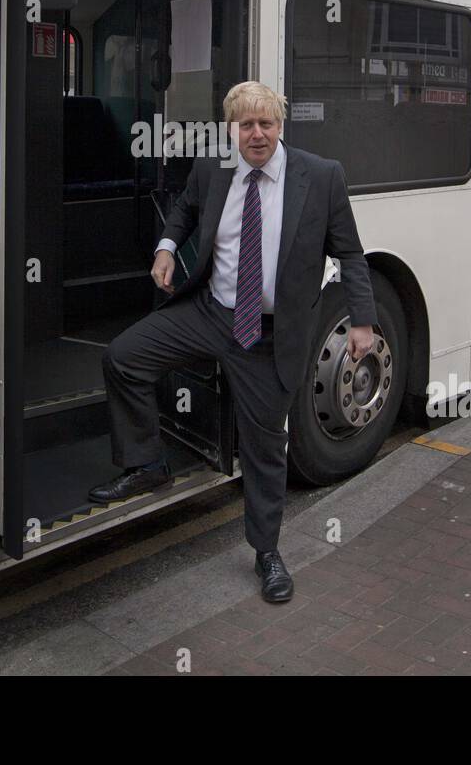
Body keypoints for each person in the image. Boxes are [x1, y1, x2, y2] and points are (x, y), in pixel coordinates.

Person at [90, 81, 377, 604]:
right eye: (246, 125)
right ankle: (147, 464)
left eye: (266, 123)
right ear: (232, 129)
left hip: (269, 334)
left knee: (265, 447)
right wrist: (166, 246)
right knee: (124, 358)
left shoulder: (321, 176)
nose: (257, 134)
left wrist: (362, 321)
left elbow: (352, 255)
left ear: (280, 126)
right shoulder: (213, 169)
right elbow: (184, 209)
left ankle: (267, 552)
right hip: (210, 313)